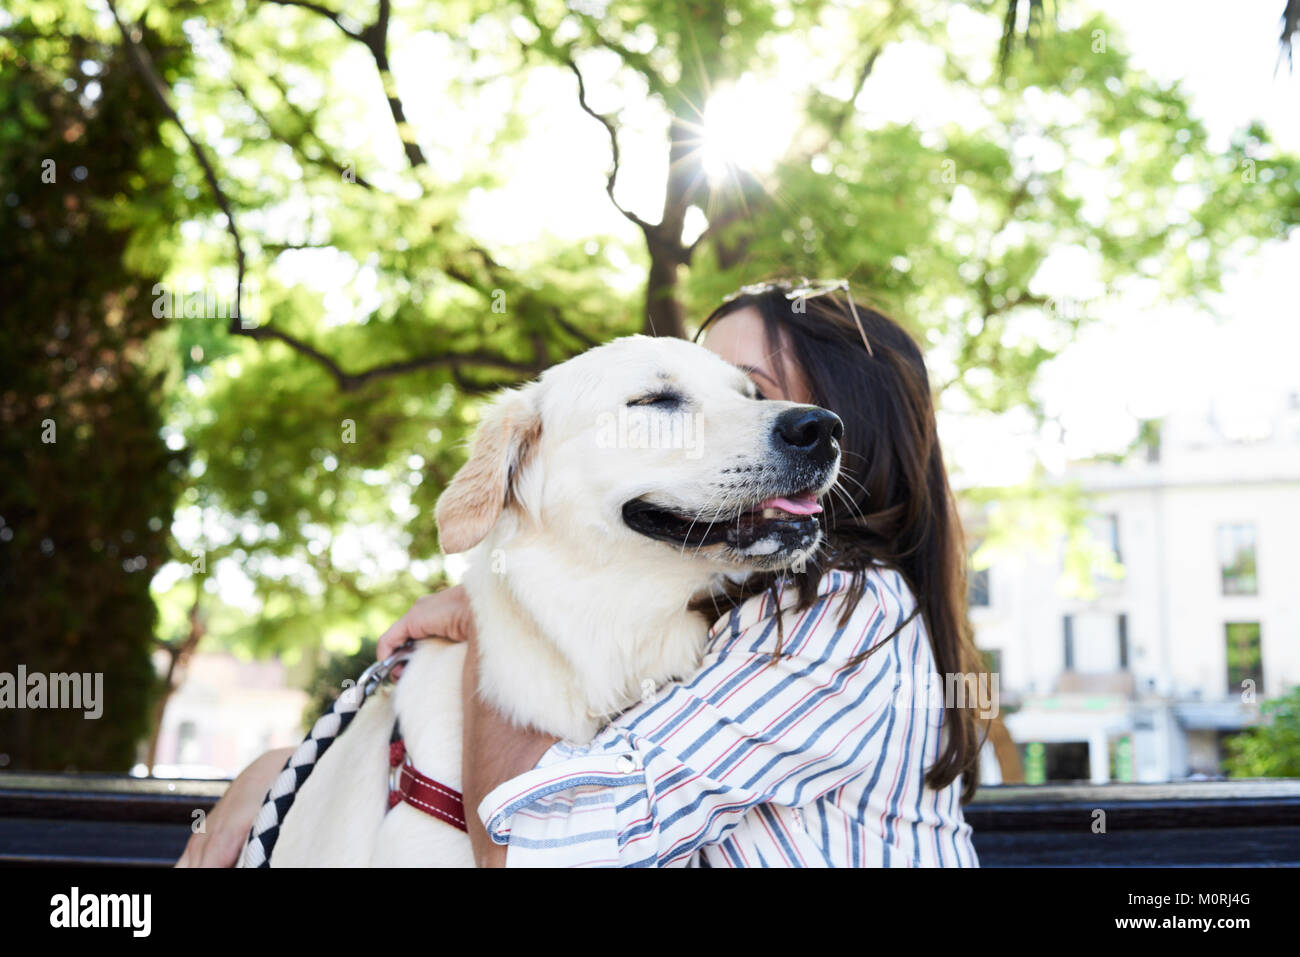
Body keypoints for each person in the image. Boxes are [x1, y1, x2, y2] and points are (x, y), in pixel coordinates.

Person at [178, 280, 984, 868]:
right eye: (667, 396)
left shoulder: (837, 614)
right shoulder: (718, 612)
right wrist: (287, 773)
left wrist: (491, 622)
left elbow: (528, 848)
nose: (773, 430)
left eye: (755, 397)